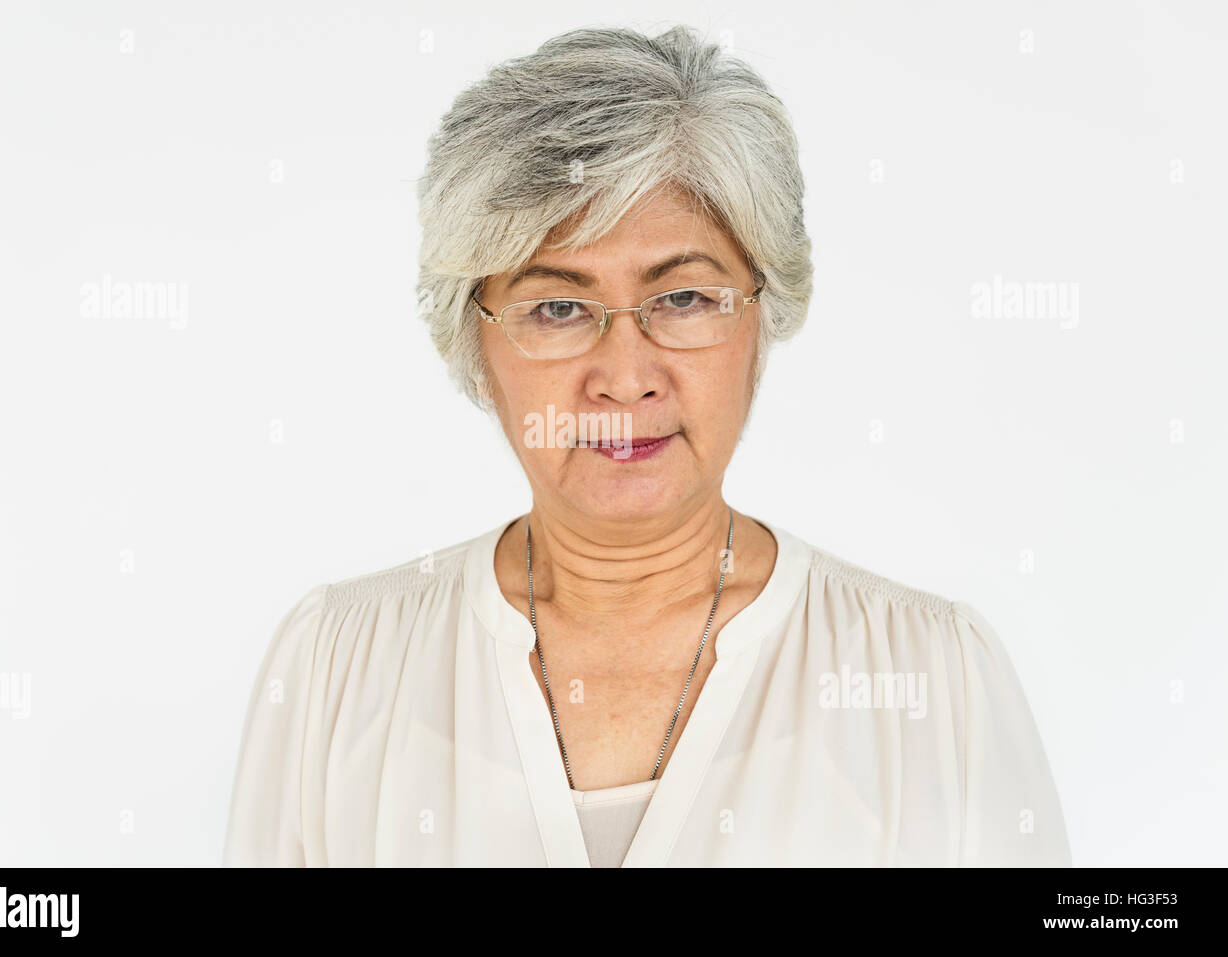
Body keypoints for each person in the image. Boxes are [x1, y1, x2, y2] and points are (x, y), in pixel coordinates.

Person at [222, 24, 1070, 867]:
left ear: (762, 317)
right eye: (557, 307)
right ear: (475, 342)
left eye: (685, 298)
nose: (625, 378)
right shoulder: (337, 668)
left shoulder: (932, 682)